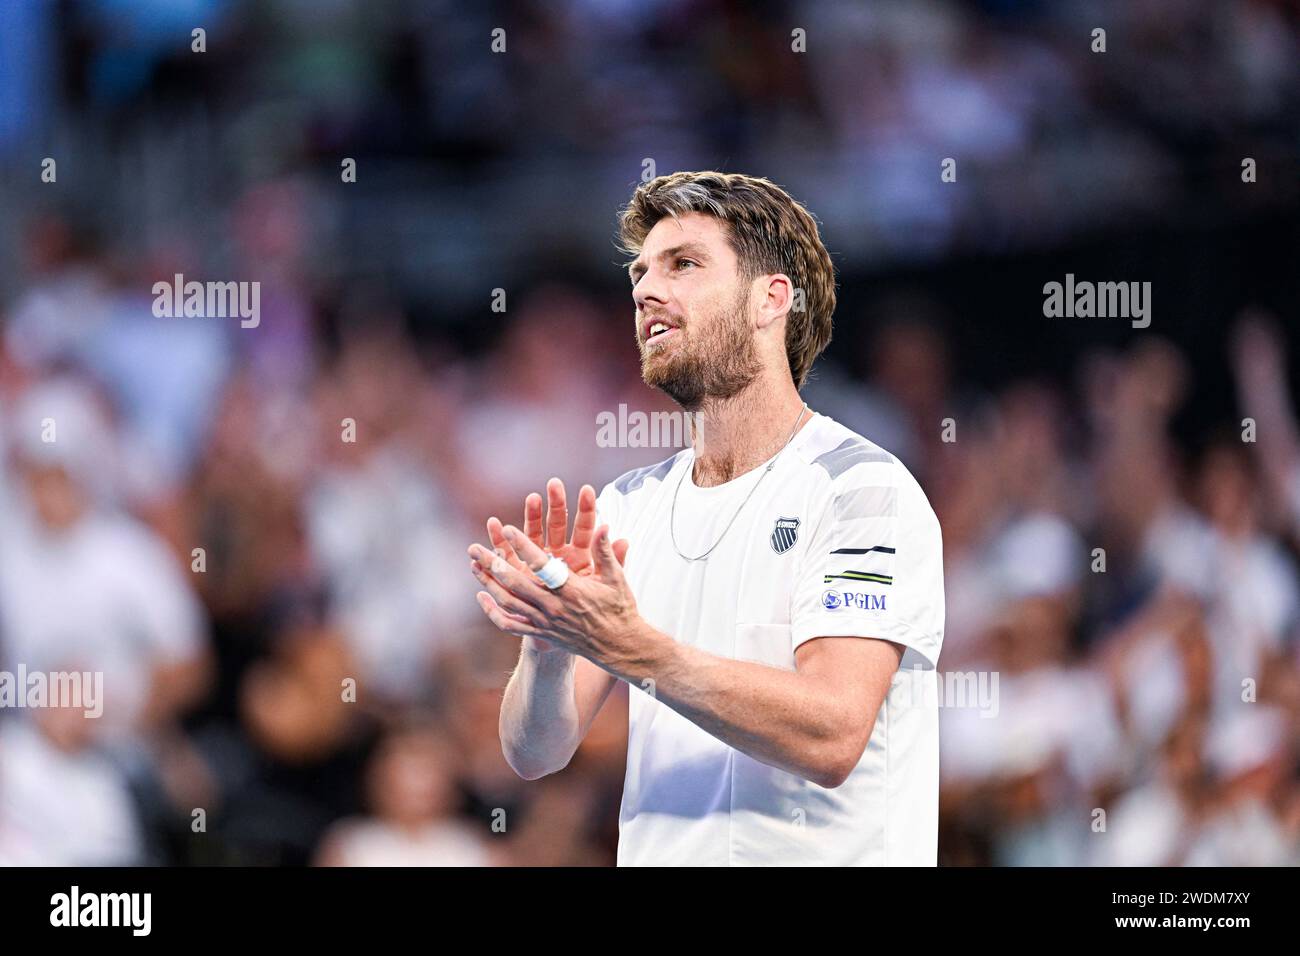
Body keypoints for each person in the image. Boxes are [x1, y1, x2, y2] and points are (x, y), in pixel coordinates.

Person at [467, 171, 945, 865]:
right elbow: (535, 753)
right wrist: (551, 645)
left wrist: (633, 648)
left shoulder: (860, 489)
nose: (643, 290)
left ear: (770, 300)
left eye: (683, 264)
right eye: (639, 272)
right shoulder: (629, 507)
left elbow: (834, 732)